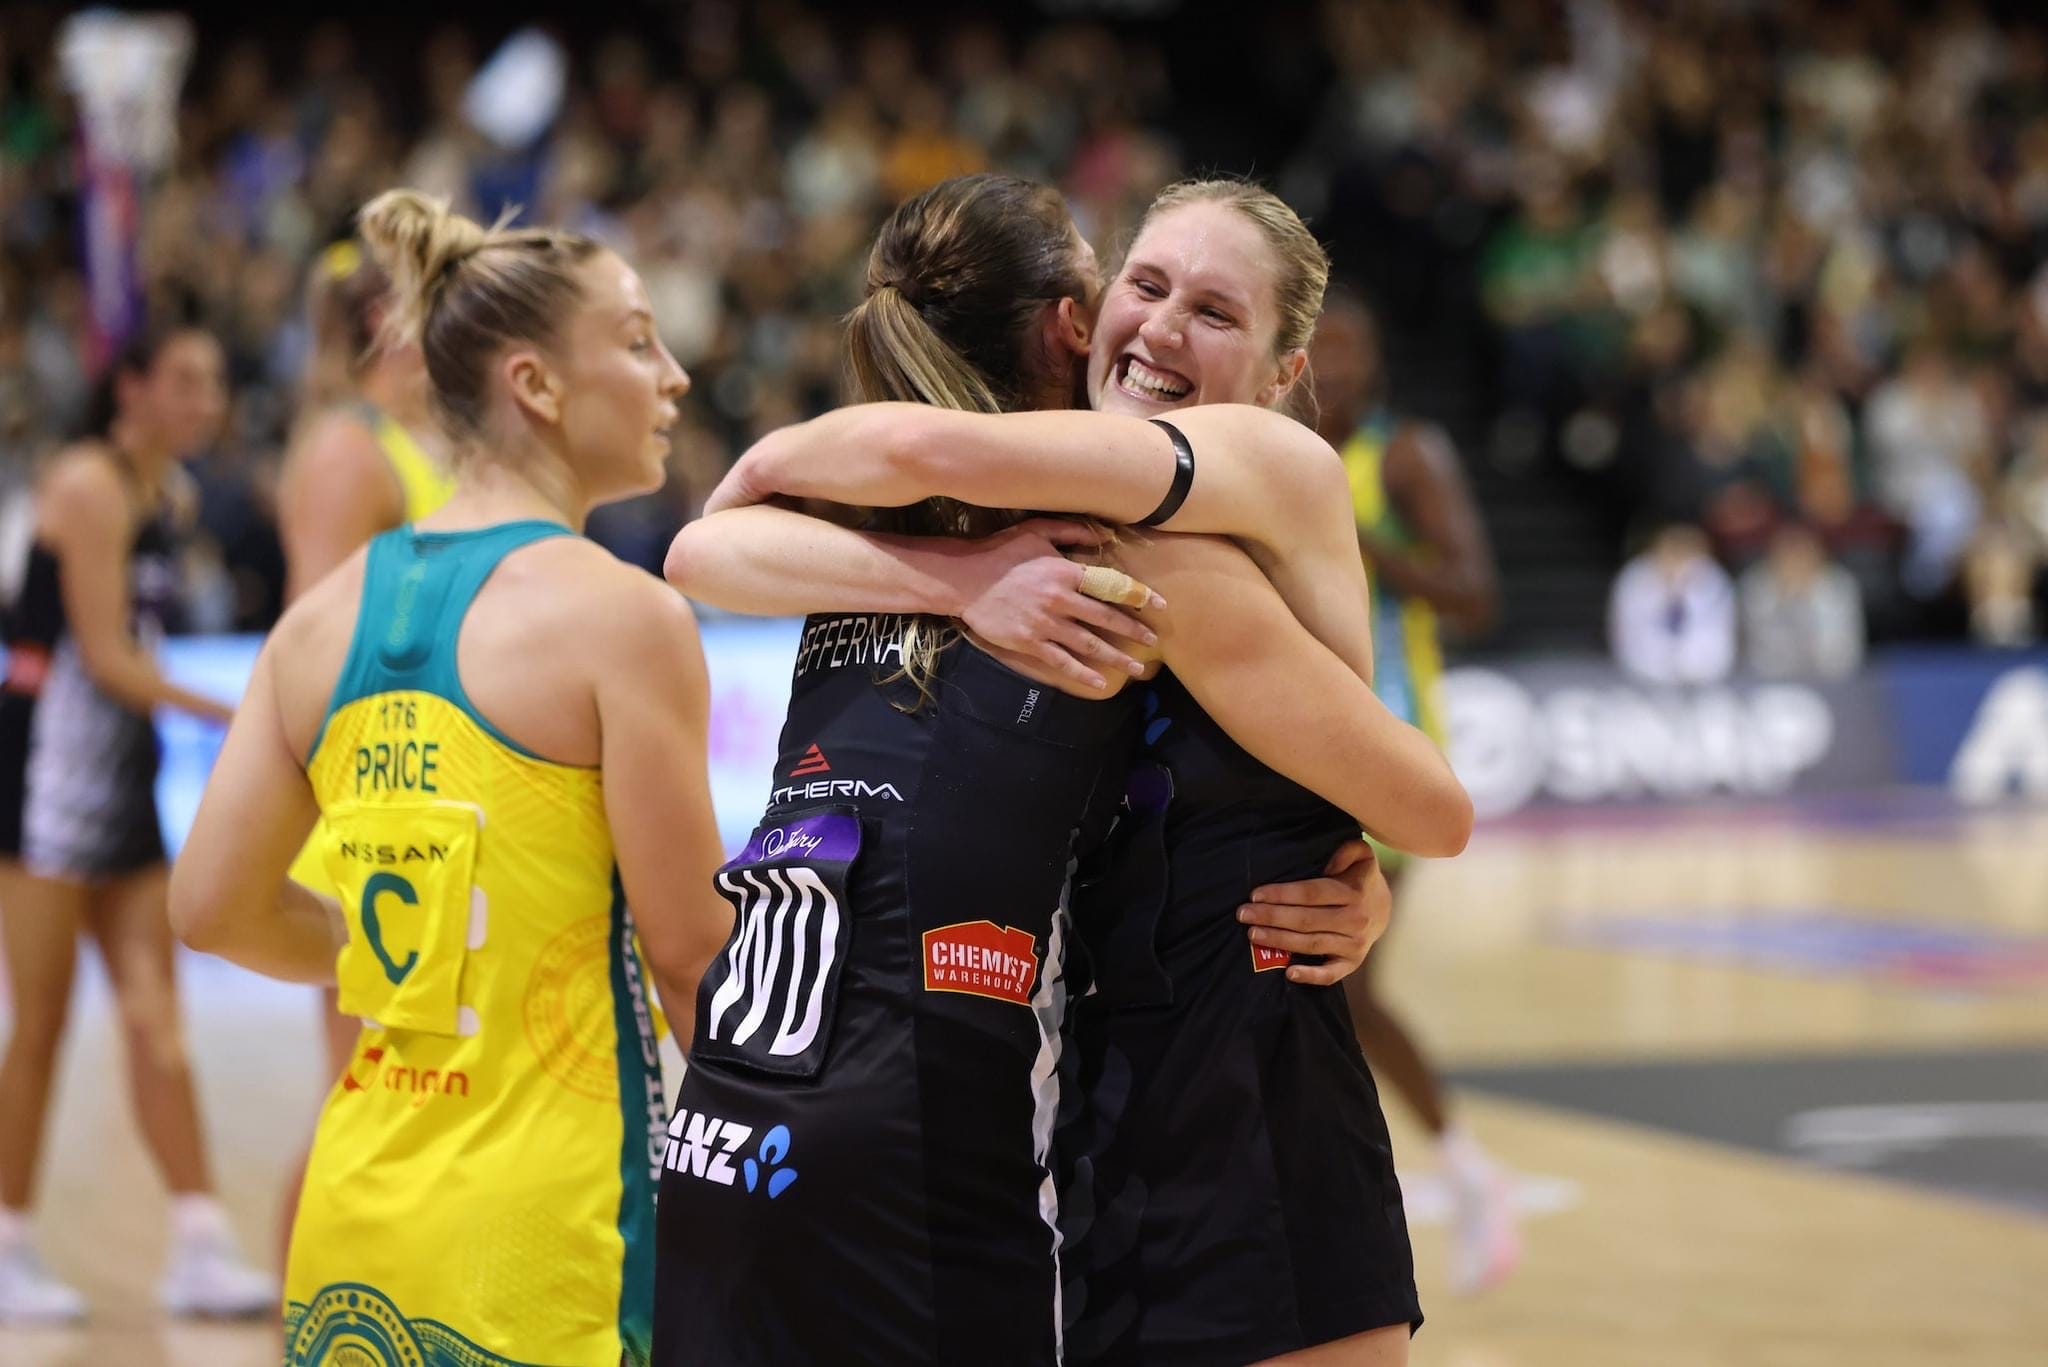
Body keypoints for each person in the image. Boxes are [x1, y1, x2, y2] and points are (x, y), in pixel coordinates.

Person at [665, 175, 1472, 1366]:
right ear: (1079, 316)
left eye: (1213, 311)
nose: (1157, 327)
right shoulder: (1044, 532)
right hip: (1087, 1130)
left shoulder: (1197, 518)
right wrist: (954, 575)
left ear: (1282, 371)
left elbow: (1431, 805)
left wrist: (1341, 867)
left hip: (1251, 1110)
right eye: (1142, 287)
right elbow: (709, 552)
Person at [169, 190, 731, 1366]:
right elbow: (690, 955)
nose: (673, 374)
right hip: (551, 1238)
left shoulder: (316, 623)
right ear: (534, 383)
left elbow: (210, 905)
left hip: (352, 1230)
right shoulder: (624, 617)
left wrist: (414, 950)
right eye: (637, 341)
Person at [0, 324, 276, 1323]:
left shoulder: (175, 493)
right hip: (42, 781)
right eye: (189, 379)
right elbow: (107, 658)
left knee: (159, 1015)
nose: (211, 398)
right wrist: (243, 711)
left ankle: (200, 1242)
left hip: (121, 782)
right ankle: (8, 1240)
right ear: (133, 387)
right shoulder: (84, 482)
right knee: (38, 1021)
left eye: (215, 378)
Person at [1312, 288, 1522, 1296]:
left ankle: (1457, 1167)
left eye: (1355, 347)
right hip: (1300, 742)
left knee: (1342, 984)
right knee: (1330, 990)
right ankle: (1451, 1166)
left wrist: (1365, 548)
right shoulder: (1270, 447)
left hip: (1391, 748)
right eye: (1322, 347)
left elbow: (1476, 592)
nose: (1338, 365)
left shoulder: (1401, 457)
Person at [272, 236, 458, 1262]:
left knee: (396, 1090)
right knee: (366, 1091)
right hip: (365, 800)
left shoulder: (416, 437)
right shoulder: (349, 447)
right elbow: (315, 633)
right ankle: (296, 1307)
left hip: (421, 790)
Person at [1609, 523, 1737, 685]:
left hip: (1703, 673)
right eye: (1672, 551)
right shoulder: (1635, 577)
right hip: (1642, 669)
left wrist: (1681, 590)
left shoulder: (1712, 577)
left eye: (1685, 552)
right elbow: (1628, 629)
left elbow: (1716, 633)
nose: (1677, 559)